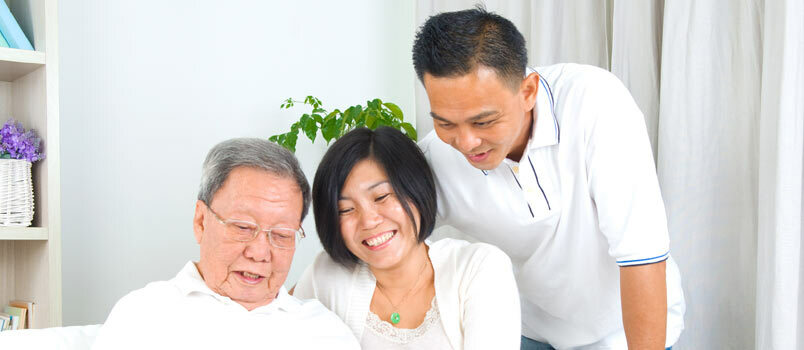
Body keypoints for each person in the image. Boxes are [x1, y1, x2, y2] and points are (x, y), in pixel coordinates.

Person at [413, 7, 685, 350]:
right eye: (446, 123)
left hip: (625, 330)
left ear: (528, 91)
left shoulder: (596, 105)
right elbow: (390, 243)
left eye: (483, 122)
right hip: (530, 330)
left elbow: (641, 254)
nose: (466, 143)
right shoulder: (435, 157)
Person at [92, 138, 359, 349]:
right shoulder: (144, 315)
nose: (259, 253)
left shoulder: (326, 331)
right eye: (243, 227)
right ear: (200, 221)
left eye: (281, 235)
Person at [293, 127, 521, 349]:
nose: (368, 221)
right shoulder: (325, 275)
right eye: (345, 209)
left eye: (381, 197)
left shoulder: (479, 268)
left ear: (416, 188)